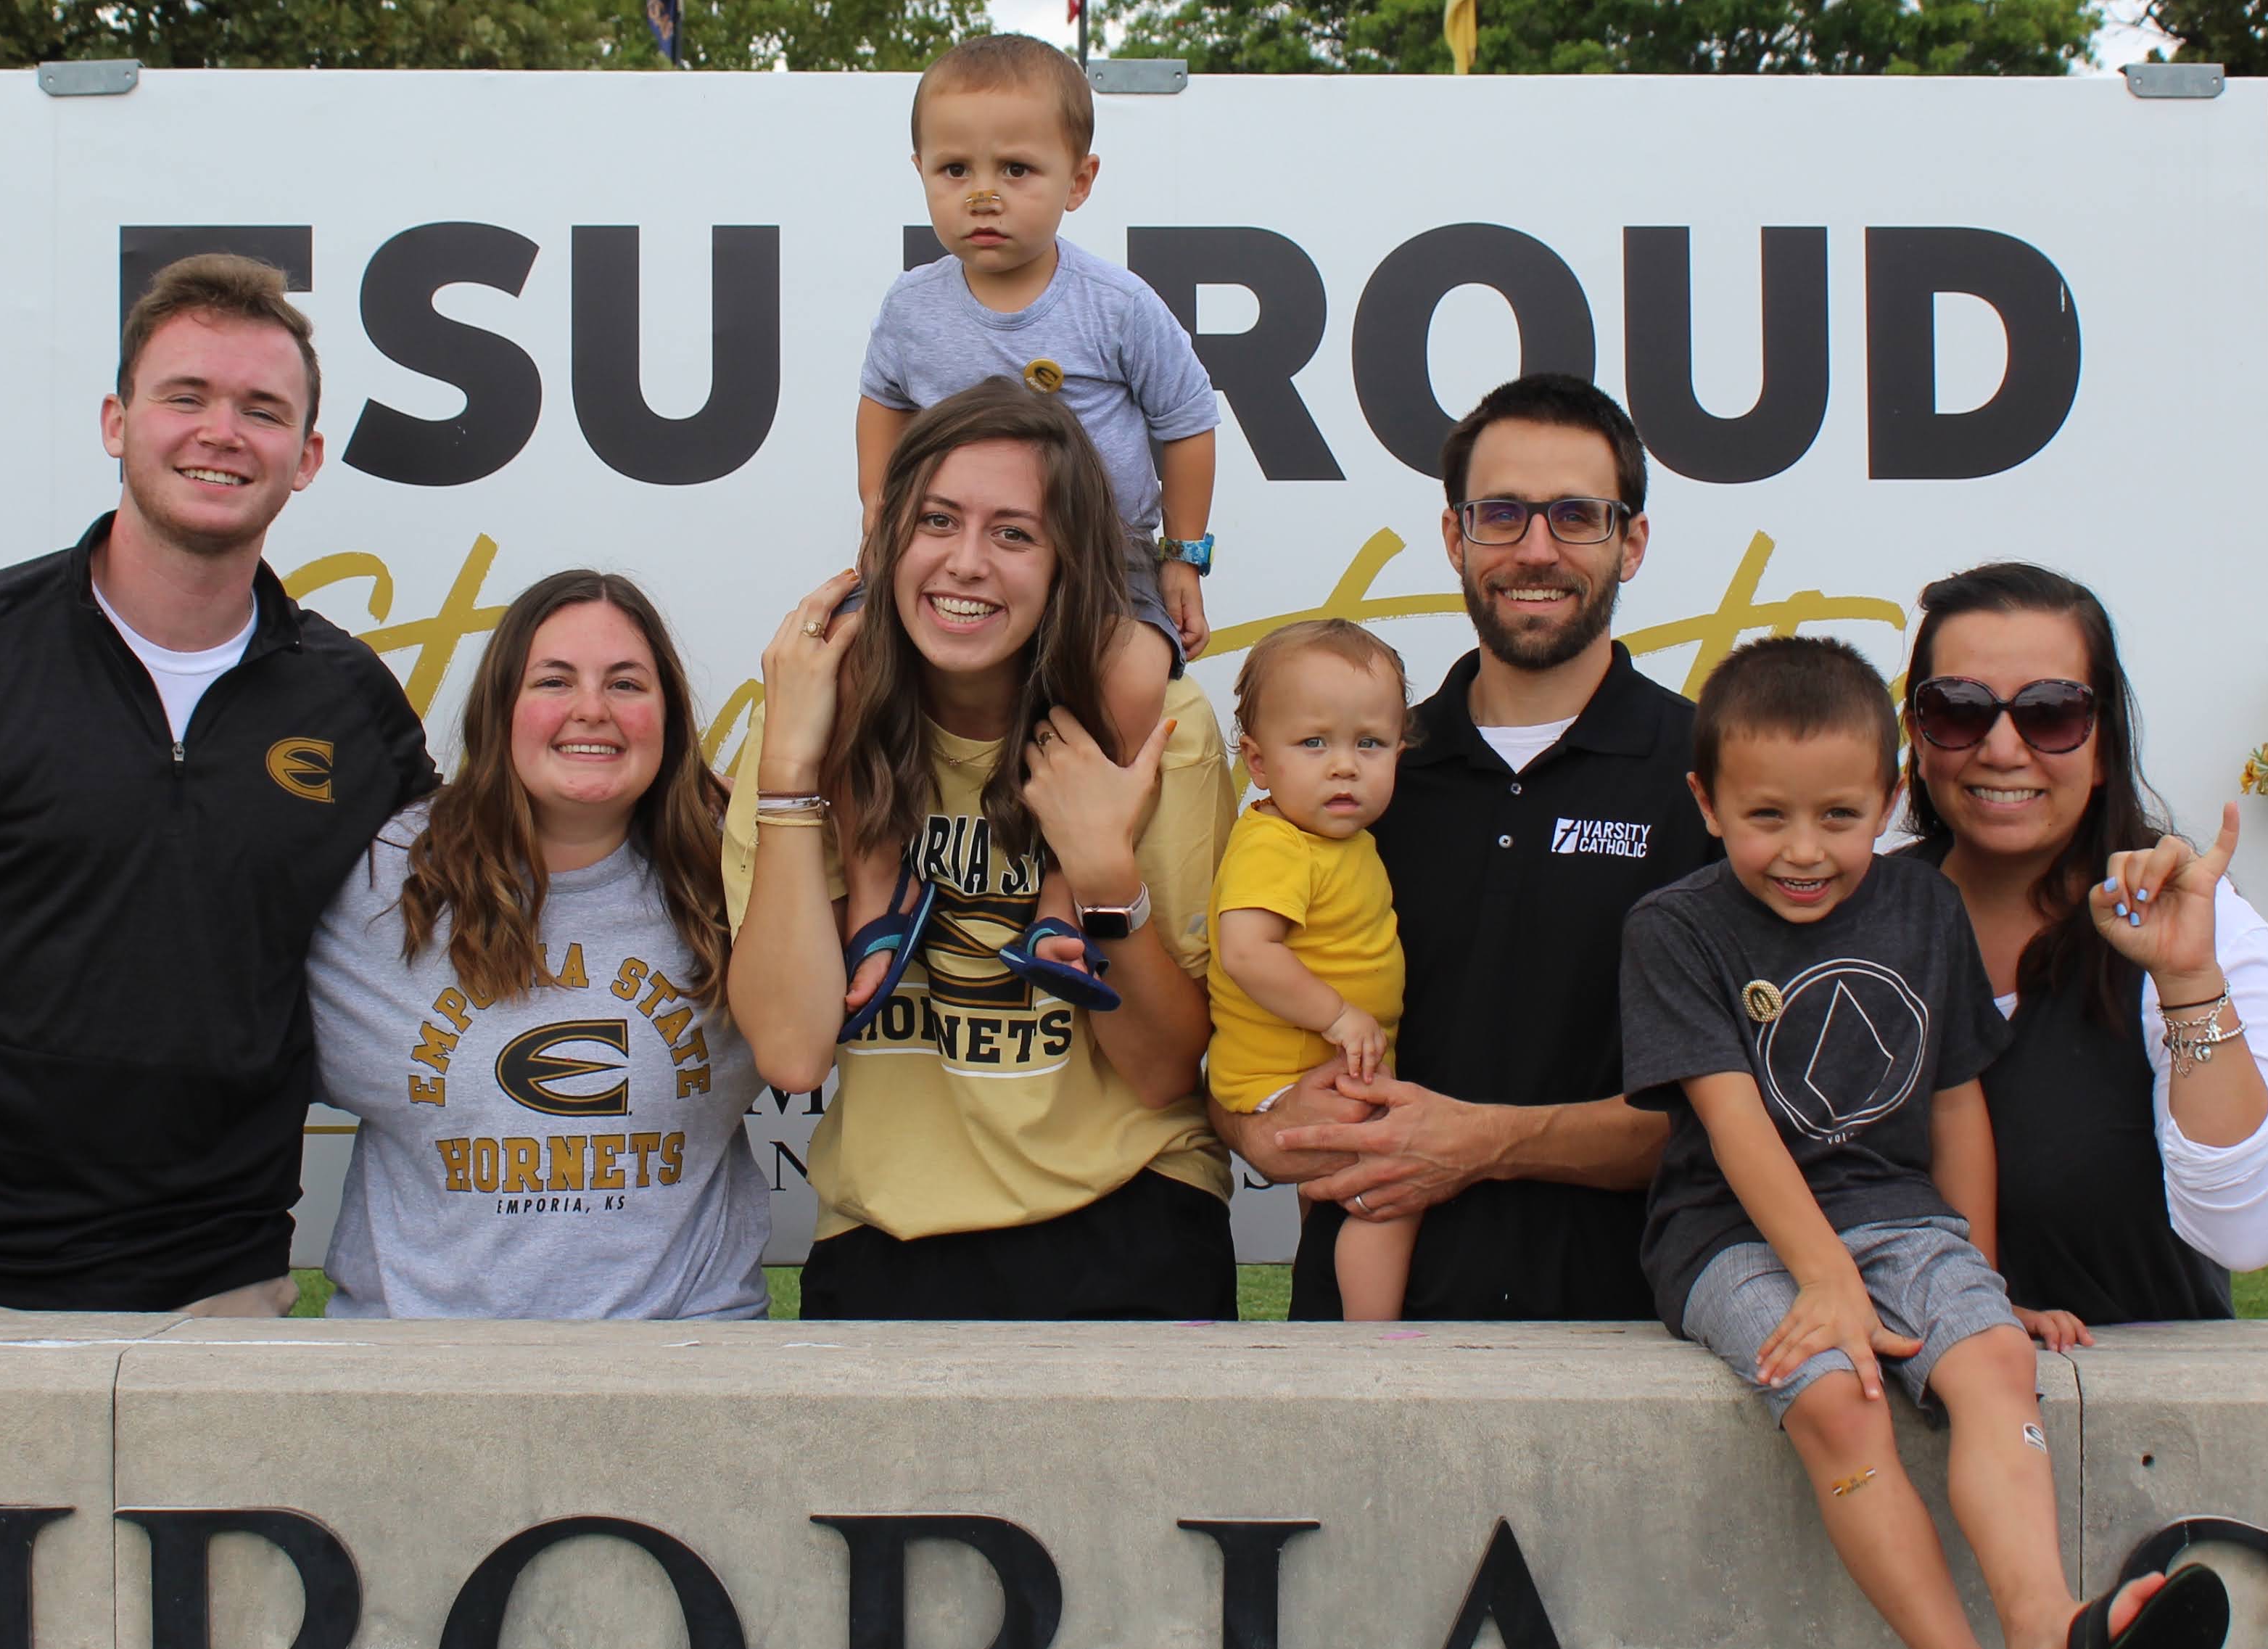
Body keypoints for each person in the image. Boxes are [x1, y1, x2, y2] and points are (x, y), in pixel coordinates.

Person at [0, 255, 434, 1313]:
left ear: (306, 457)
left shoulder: (350, 704)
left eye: (261, 408)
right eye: (184, 396)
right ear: (117, 422)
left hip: (217, 1291)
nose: (220, 432)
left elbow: (463, 920)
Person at [1622, 636, 2229, 1649]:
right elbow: (1732, 1122)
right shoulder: (1675, 927)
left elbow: (1955, 1109)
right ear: (1707, 803)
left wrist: (1986, 1292)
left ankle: (2045, 1633)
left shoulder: (1922, 910)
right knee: (1835, 1399)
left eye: (1839, 818)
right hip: (1731, 1236)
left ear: (1890, 800)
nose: (1803, 853)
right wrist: (1824, 1285)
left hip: (1897, 1214)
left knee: (1997, 1364)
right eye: (1766, 818)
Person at [727, 378, 1238, 1320]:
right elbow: (794, 1054)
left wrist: (1101, 876)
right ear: (886, 541)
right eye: (937, 522)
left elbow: (1166, 1072)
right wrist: (794, 769)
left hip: (1130, 1214)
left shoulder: (1164, 728)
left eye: (1013, 533)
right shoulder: (805, 724)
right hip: (883, 1239)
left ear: (1065, 563)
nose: (965, 563)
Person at [1217, 372, 1717, 1323]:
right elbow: (1235, 1054)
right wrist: (1251, 1123)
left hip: (1631, 1340)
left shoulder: (1706, 784)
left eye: (1575, 515)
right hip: (1364, 1349)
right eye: (1501, 514)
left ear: (1631, 541)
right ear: (1455, 536)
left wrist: (1486, 1139)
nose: (1536, 549)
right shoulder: (1358, 785)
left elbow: (1746, 1117)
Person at [846, 33, 1218, 998]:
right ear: (920, 174)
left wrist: (1184, 555)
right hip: (964, 558)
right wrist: (881, 509)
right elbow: (881, 398)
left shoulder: (1115, 307)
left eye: (1016, 169)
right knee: (846, 672)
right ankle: (878, 883)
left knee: (1134, 675)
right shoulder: (911, 306)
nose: (982, 193)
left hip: (1102, 561)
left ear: (1078, 180)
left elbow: (1185, 422)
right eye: (954, 168)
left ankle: (1060, 898)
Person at [305, 570, 766, 1320]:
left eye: (626, 684)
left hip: (687, 1368)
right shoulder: (382, 880)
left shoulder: (736, 878)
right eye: (553, 680)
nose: (591, 710)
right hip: (414, 1374)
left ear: (670, 717)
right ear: (500, 709)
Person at [1900, 562, 2268, 1323]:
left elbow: (2252, 1230)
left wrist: (2186, 978)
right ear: (1916, 736)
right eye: (1957, 709)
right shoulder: (1852, 917)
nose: (1999, 748)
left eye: (2049, 712)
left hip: (2133, 1419)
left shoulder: (2197, 923)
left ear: (2102, 746)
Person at [1204, 619, 1415, 1318]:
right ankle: (1369, 1344)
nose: (1345, 765)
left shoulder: (1338, 840)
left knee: (1333, 1202)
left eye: (1370, 744)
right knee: (1389, 1189)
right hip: (1281, 1076)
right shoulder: (1277, 845)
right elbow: (1244, 951)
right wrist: (1339, 1015)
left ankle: (1326, 1313)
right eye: (1314, 743)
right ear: (1259, 764)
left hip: (1314, 1067)